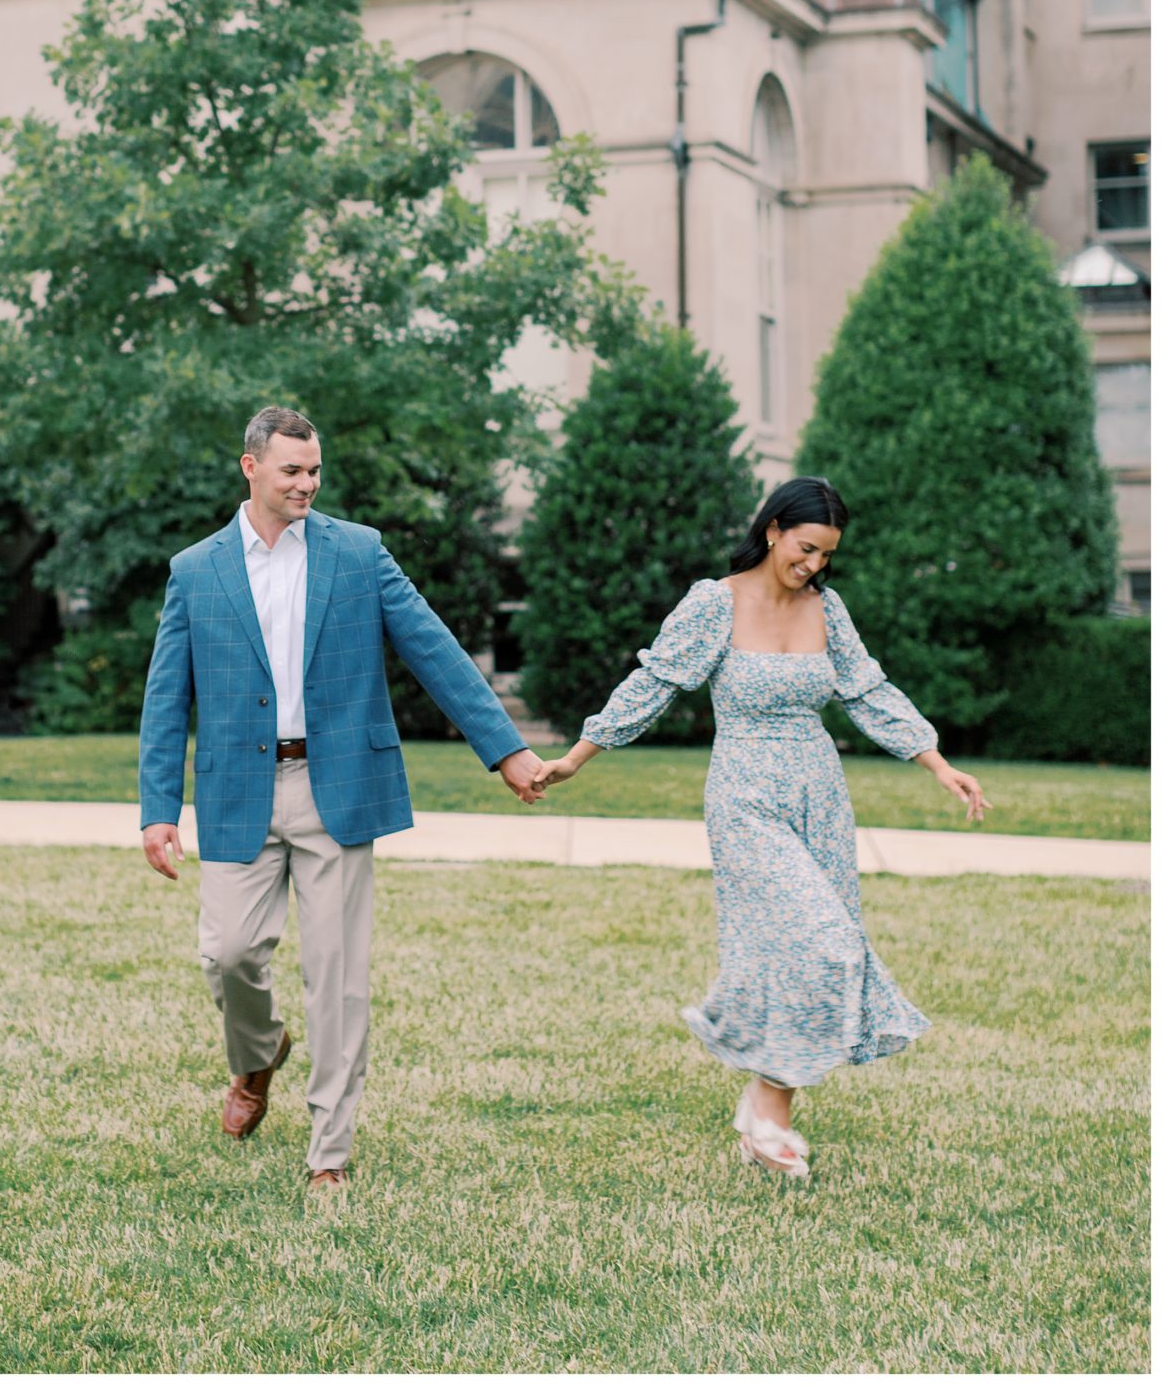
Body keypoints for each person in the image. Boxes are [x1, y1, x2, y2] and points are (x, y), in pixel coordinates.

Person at [138, 405, 545, 1197]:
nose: (307, 484)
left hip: (337, 790)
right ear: (250, 467)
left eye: (315, 470)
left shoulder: (359, 554)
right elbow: (166, 696)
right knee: (227, 956)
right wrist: (158, 809)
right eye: (292, 470)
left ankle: (330, 1151)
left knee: (337, 976)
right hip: (234, 794)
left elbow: (432, 646)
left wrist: (507, 750)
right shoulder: (195, 570)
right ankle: (257, 1057)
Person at [533, 476, 988, 1181]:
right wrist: (575, 757)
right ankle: (766, 1106)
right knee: (824, 941)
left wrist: (935, 763)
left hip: (819, 794)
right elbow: (652, 683)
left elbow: (867, 689)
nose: (813, 565)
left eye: (826, 555)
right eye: (805, 548)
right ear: (773, 529)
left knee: (805, 954)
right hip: (745, 793)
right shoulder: (714, 602)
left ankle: (766, 1115)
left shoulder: (825, 610)